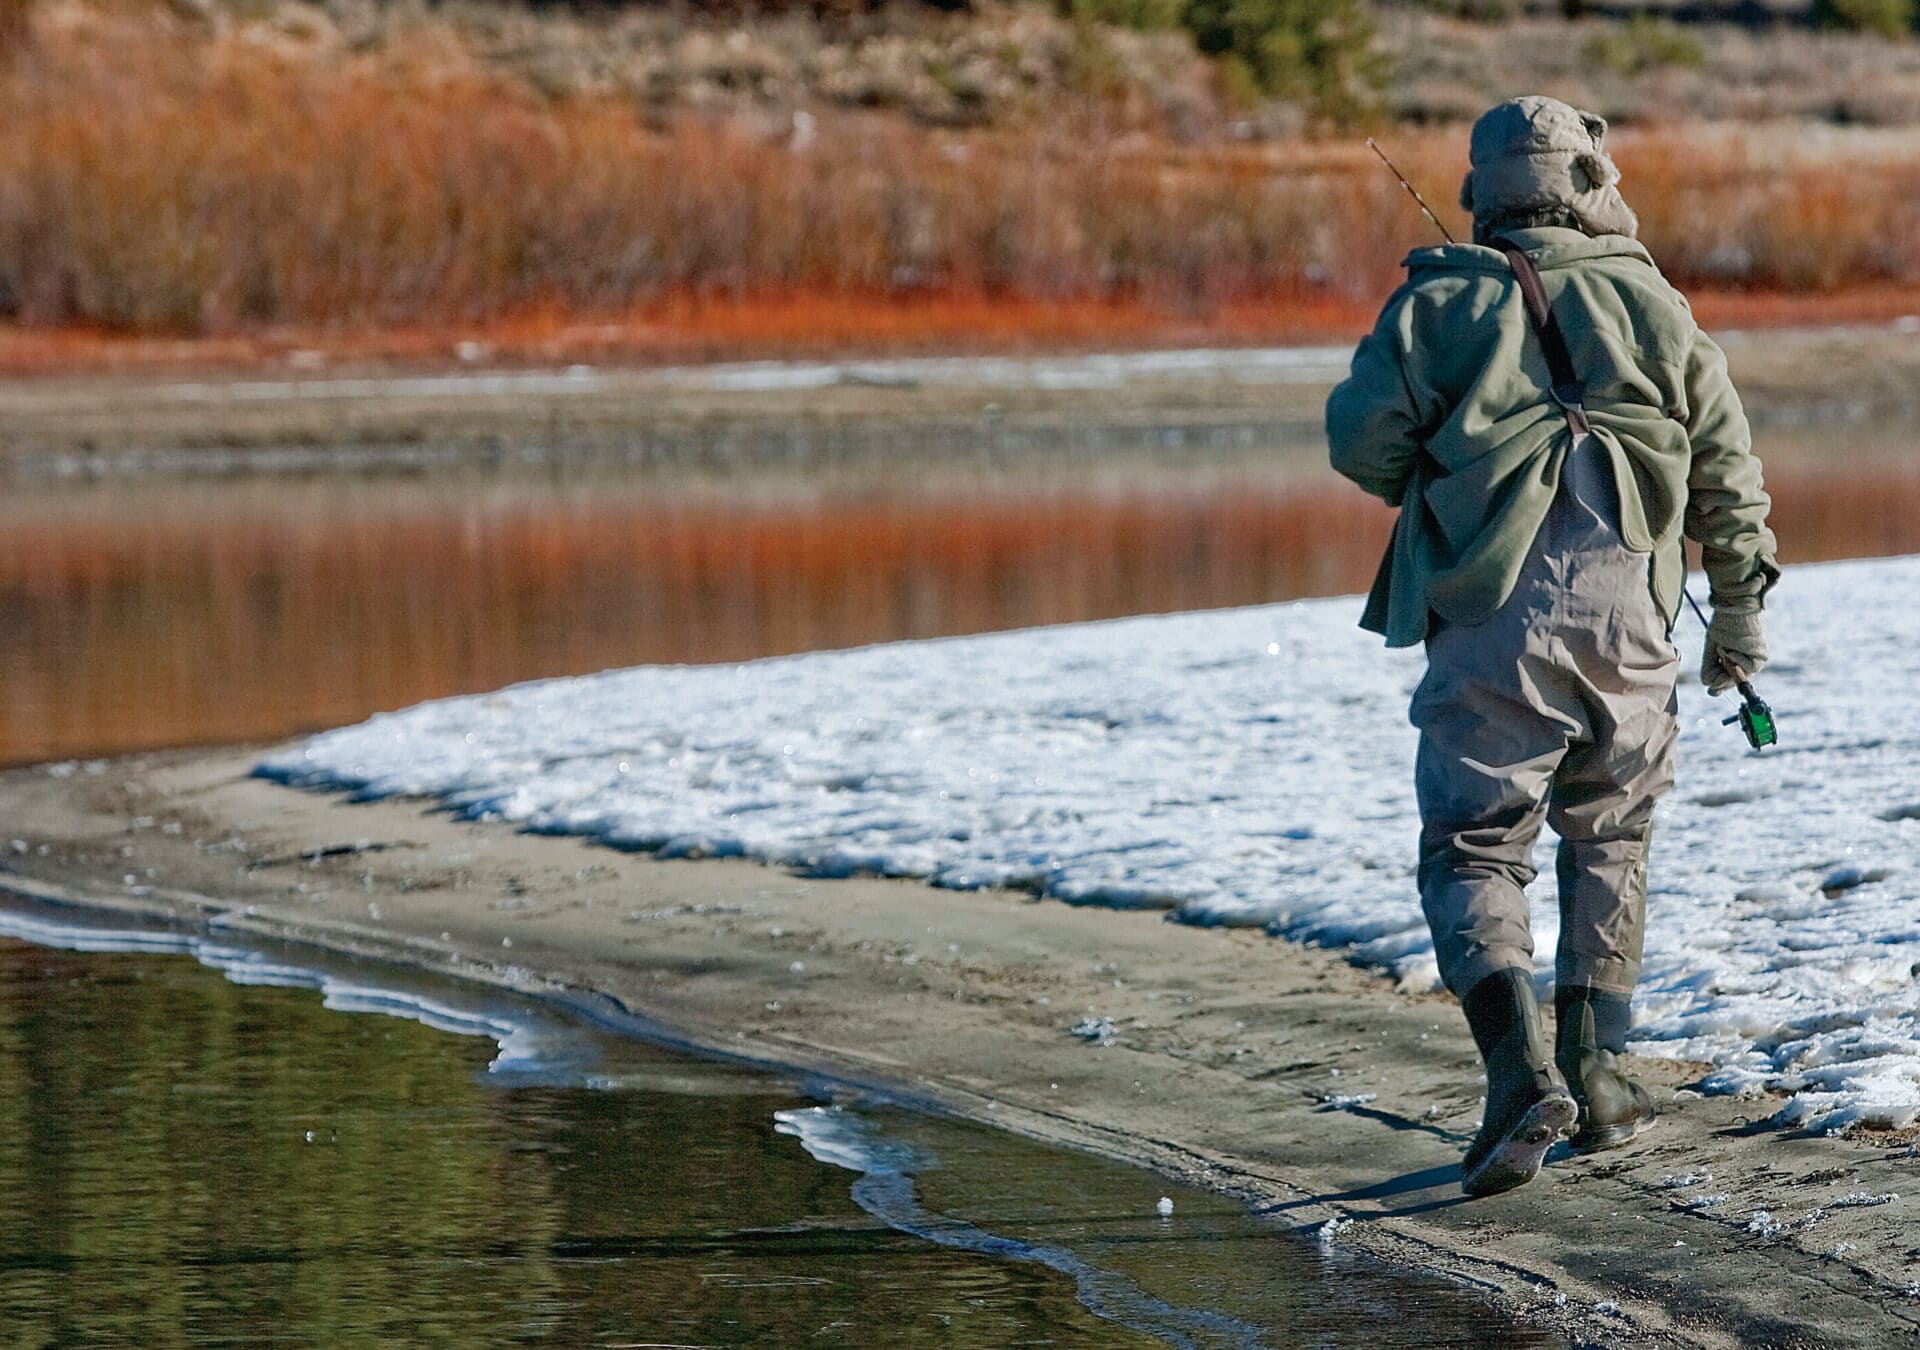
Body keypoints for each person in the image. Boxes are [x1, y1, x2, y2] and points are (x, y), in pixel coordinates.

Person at [1325, 96, 1778, 1196]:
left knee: (1478, 845)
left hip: (1490, 619)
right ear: (1590, 181)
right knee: (1610, 834)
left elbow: (1360, 444)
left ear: (1482, 191)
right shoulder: (1657, 303)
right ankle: (1601, 1078)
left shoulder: (1437, 300)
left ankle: (1518, 1078)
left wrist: (1445, 479)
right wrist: (1742, 629)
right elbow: (1729, 470)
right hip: (1634, 617)